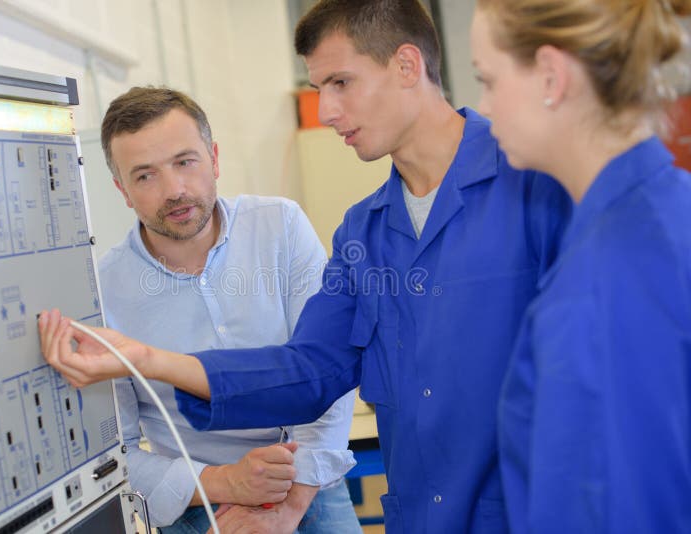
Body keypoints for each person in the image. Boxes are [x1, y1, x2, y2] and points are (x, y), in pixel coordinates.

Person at [39, 1, 571, 531]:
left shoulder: (537, 184)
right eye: (321, 90)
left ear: (407, 66)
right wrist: (146, 359)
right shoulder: (363, 232)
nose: (328, 112)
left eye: (341, 83)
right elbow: (309, 371)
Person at [91, 86, 361, 533]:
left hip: (306, 482)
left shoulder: (281, 226)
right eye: (145, 176)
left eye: (185, 162)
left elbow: (329, 372)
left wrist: (290, 506)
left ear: (214, 158)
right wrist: (225, 482)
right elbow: (111, 453)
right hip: (194, 501)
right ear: (122, 190)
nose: (174, 190)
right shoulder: (103, 291)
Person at [470, 1, 691, 532]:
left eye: (488, 80)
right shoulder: (670, 208)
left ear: (551, 75)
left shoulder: (599, 289)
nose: (482, 106)